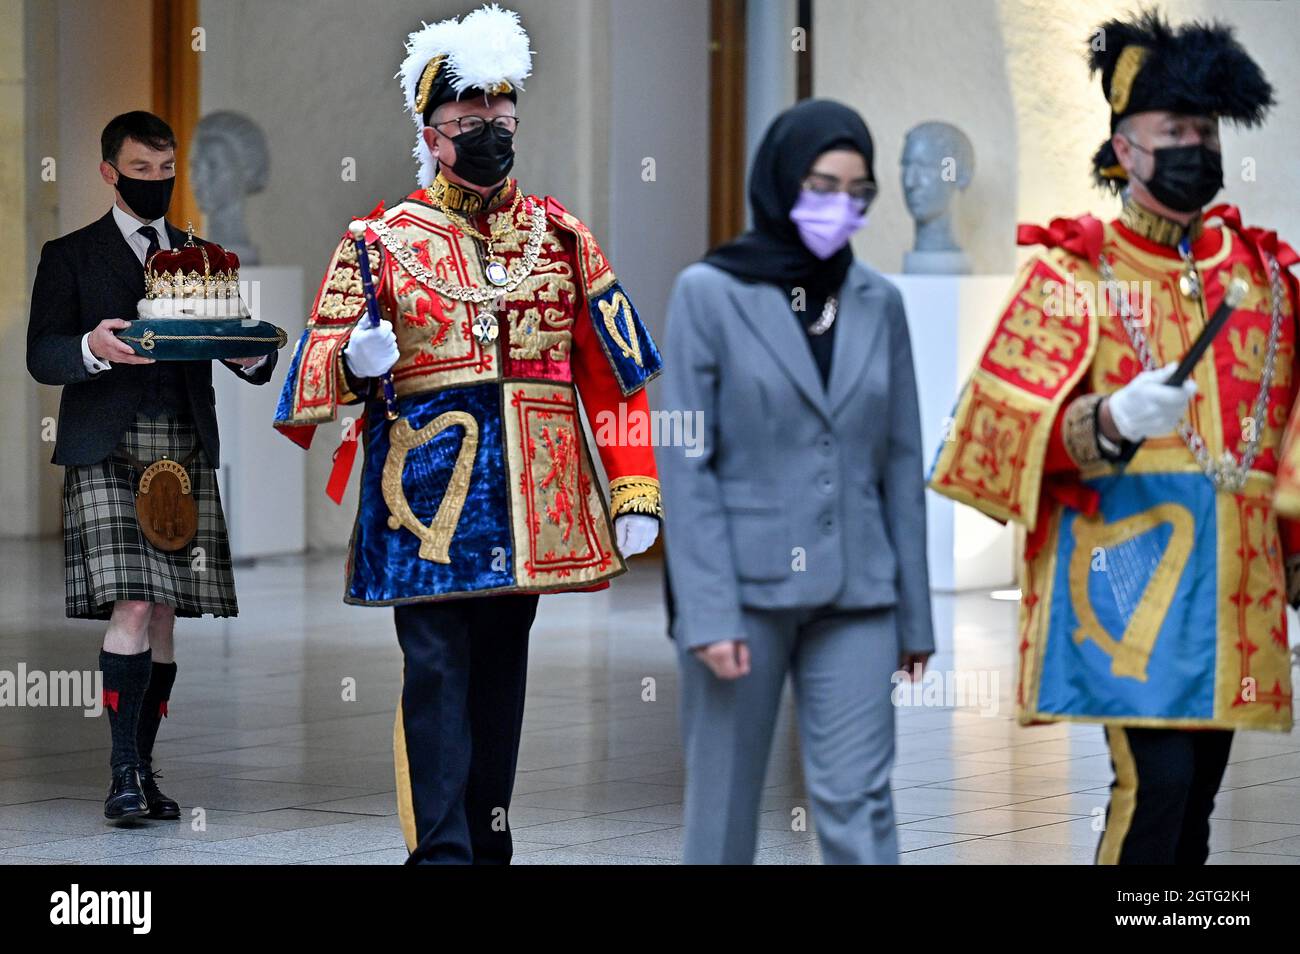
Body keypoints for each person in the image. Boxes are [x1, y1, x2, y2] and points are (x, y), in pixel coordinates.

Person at [272, 4, 663, 864]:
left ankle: (489, 837)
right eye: (469, 122)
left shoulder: (562, 238)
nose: (490, 135)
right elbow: (306, 376)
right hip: (426, 501)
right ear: (431, 133)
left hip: (534, 500)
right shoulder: (377, 243)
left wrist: (634, 486)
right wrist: (358, 361)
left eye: (502, 120)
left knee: (501, 678)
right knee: (437, 671)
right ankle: (441, 851)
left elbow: (616, 374)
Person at [928, 10, 1298, 864]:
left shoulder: (1262, 276)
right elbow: (991, 437)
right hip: (1129, 581)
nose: (1194, 147)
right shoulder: (1074, 272)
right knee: (1154, 788)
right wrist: (1108, 420)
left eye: (1205, 131)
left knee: (1200, 801)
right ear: (1124, 148)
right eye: (1174, 130)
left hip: (1237, 584)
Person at [658, 99, 935, 864]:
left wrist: (916, 616)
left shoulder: (880, 301)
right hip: (741, 594)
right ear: (783, 181)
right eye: (822, 185)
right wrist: (708, 611)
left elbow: (902, 461)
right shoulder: (707, 294)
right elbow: (686, 462)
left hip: (859, 591)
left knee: (860, 801)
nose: (839, 207)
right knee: (722, 806)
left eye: (857, 192)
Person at [26, 110, 278, 822]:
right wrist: (92, 347)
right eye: (141, 172)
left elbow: (248, 352)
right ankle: (123, 772)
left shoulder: (203, 257)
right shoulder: (69, 255)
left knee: (164, 614)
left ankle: (145, 765)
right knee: (134, 602)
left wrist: (252, 353)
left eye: (166, 172)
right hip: (107, 444)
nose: (156, 184)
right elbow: (41, 353)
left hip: (185, 443)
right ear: (110, 172)